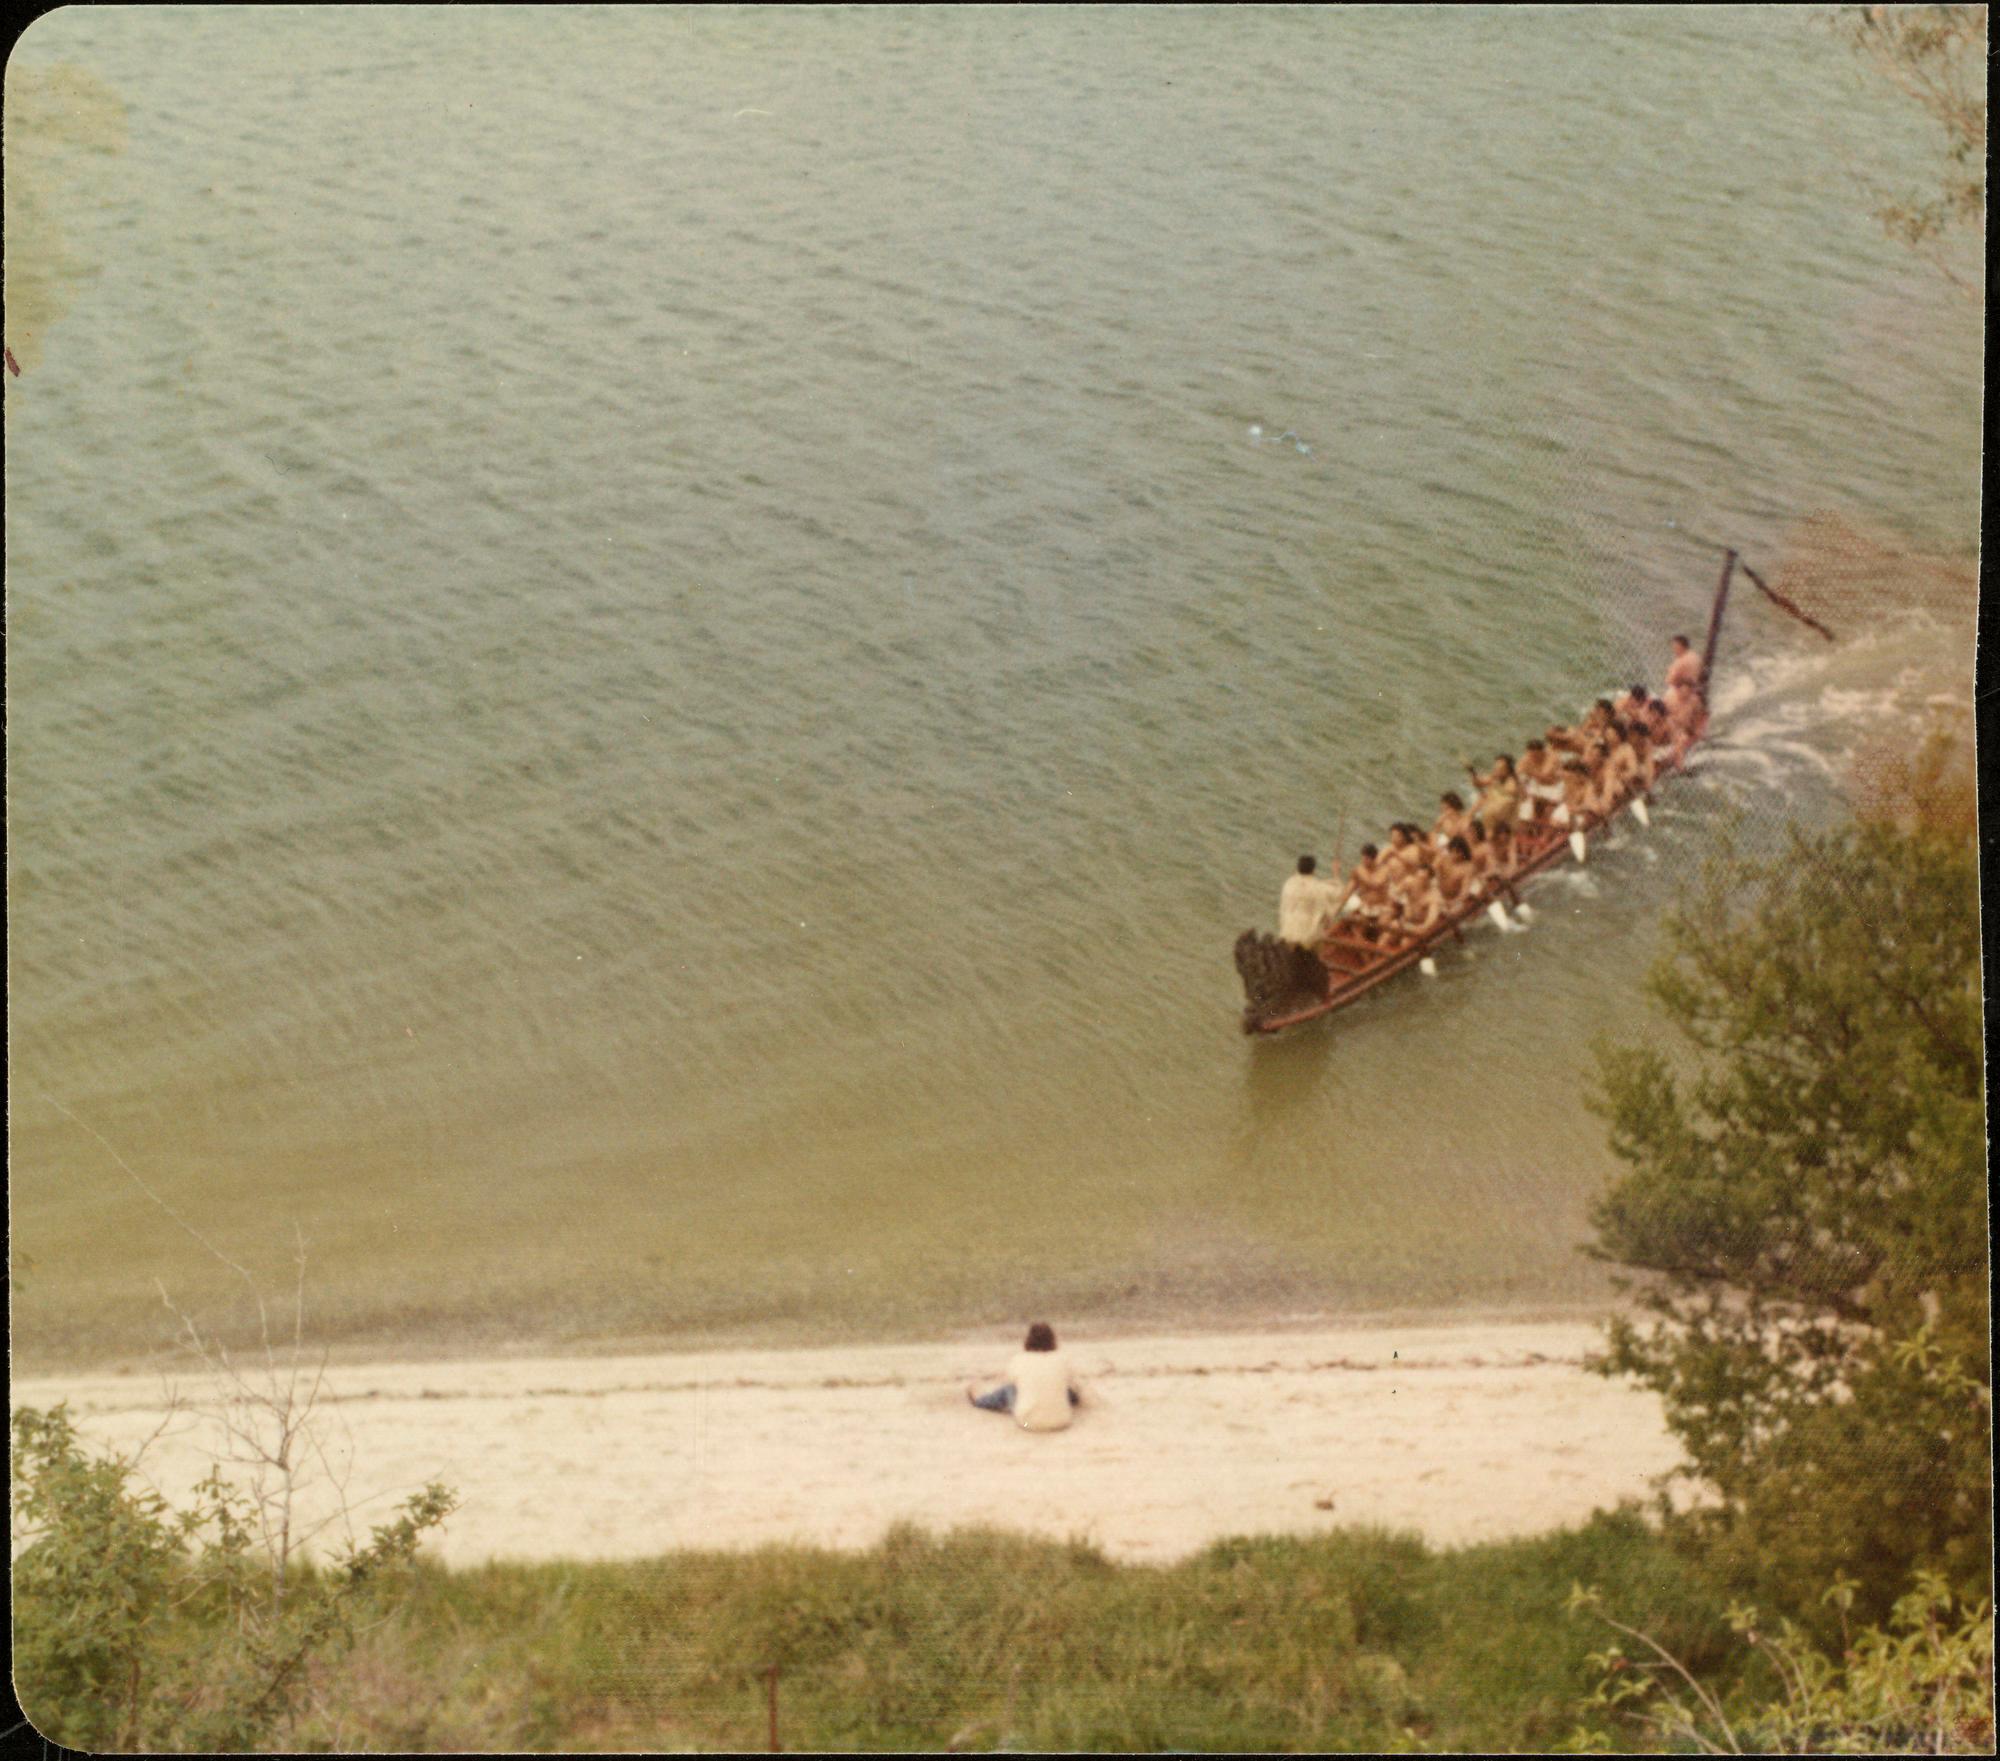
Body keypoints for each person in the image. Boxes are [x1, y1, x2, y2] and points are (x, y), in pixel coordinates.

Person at [968, 1322, 1082, 1431]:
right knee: (1062, 1388)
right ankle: (1056, 1407)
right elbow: (1073, 1383)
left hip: (1027, 1423)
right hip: (1062, 1421)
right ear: (1053, 1340)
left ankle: (980, 1401)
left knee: (1009, 1389)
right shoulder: (1062, 1359)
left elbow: (1009, 1381)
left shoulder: (1020, 1359)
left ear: (1028, 1340)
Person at [1277, 855, 1344, 948]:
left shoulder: (1288, 884)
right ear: (1313, 870)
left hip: (1286, 934)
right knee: (1328, 912)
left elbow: (1305, 885)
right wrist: (1336, 874)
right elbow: (1341, 894)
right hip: (1307, 941)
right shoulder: (1320, 888)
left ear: (1297, 868)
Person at [1468, 754, 1521, 834]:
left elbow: (1511, 790)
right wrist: (1472, 772)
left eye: (1500, 769)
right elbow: (1478, 782)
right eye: (1496, 768)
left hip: (1505, 822)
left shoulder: (1513, 782)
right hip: (1491, 817)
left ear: (1508, 770)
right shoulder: (1496, 778)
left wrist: (1493, 784)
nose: (1497, 771)